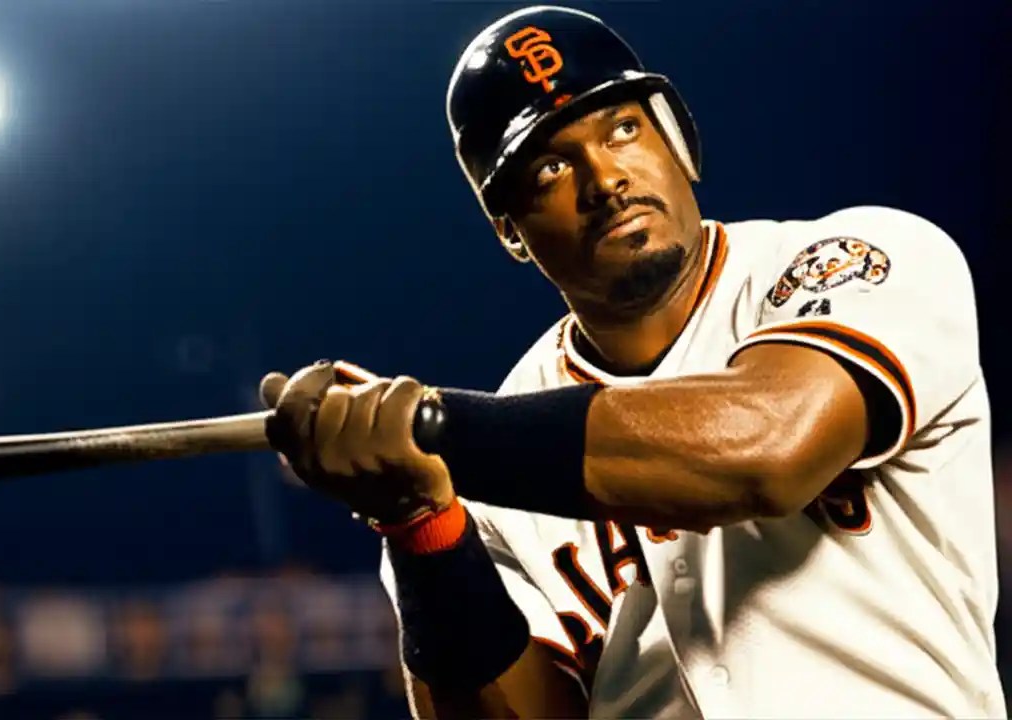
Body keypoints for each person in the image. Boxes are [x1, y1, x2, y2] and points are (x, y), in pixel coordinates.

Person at [259, 5, 1003, 718]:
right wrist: (419, 522)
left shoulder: (864, 261)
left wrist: (433, 428)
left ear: (678, 143)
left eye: (622, 129)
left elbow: (767, 451)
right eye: (550, 168)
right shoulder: (472, 480)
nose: (605, 180)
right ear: (510, 230)